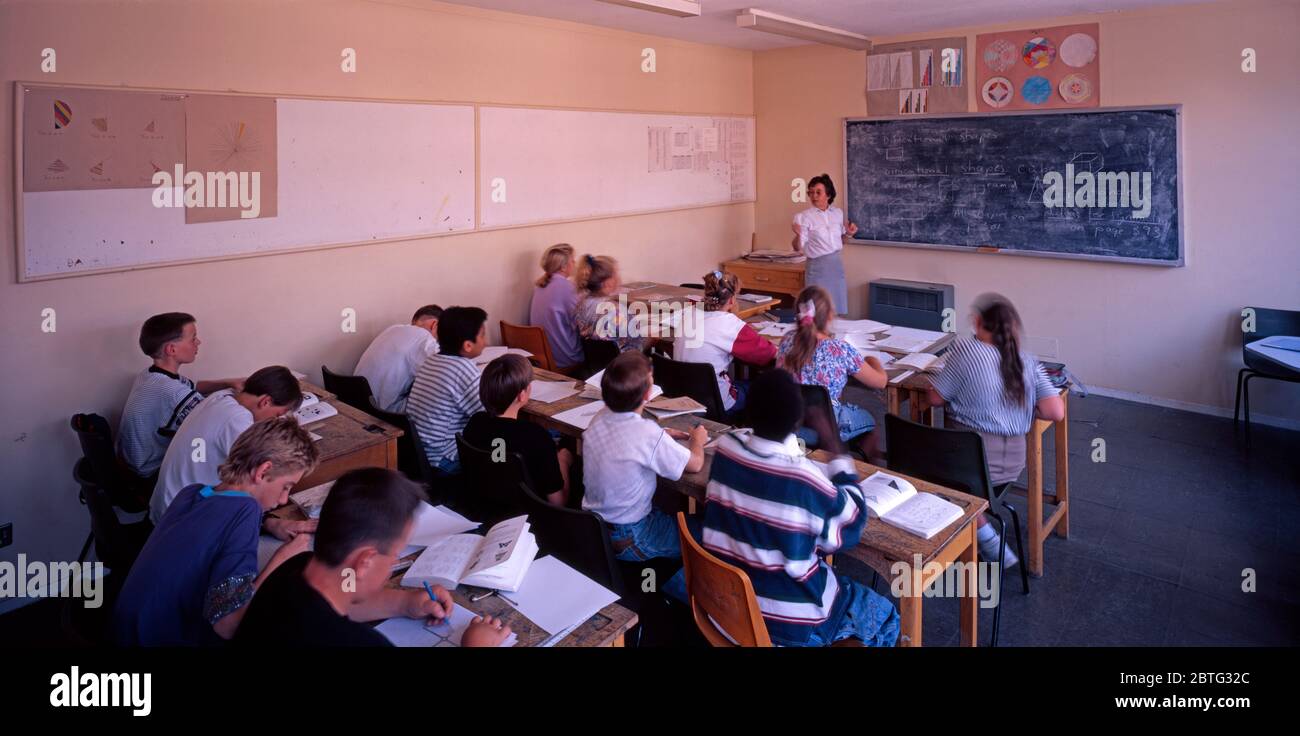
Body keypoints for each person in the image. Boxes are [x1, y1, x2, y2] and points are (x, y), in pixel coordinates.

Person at [701, 369, 899, 646]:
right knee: (887, 615)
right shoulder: (804, 480)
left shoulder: (726, 448)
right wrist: (833, 443)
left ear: (748, 411)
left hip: (724, 612)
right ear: (798, 422)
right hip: (784, 629)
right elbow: (852, 526)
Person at [235, 468, 512, 647]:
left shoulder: (293, 571)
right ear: (365, 561)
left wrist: (405, 602)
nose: (393, 562)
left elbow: (341, 598)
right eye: (393, 555)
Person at [113, 419, 319, 646]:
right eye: (286, 487)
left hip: (127, 631)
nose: (282, 500)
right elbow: (228, 624)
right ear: (263, 471)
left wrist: (271, 524)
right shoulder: (245, 510)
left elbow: (212, 530)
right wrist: (283, 559)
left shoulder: (192, 494)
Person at [927, 293, 1065, 567]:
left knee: (924, 462)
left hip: (965, 465)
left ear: (977, 323)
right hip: (1011, 466)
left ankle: (983, 533)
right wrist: (1022, 408)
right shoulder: (1027, 361)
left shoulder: (965, 351)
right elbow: (1055, 412)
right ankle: (976, 526)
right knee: (960, 478)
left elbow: (934, 399)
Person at [581, 352, 706, 561]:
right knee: (710, 535)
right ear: (648, 394)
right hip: (632, 537)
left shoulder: (599, 417)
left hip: (595, 528)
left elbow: (626, 437)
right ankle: (681, 586)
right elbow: (695, 464)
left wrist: (659, 434)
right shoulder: (647, 434)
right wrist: (697, 440)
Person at [152, 366, 304, 524]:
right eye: (278, 415)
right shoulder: (237, 421)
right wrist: (271, 522)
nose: (275, 421)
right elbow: (260, 478)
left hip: (170, 499)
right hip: (178, 516)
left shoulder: (223, 396)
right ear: (265, 401)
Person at [117, 312, 241, 480]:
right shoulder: (171, 392)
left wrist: (228, 382)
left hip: (132, 465)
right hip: (150, 474)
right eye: (193, 338)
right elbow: (213, 421)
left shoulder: (150, 375)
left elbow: (193, 387)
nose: (198, 342)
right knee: (227, 461)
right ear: (171, 349)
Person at [777, 285, 888, 460]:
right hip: (828, 425)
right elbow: (880, 382)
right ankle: (862, 469)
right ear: (829, 315)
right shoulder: (839, 349)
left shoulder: (786, 341)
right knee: (871, 419)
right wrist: (873, 360)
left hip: (792, 419)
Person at [463, 354, 574, 507]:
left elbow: (499, 454)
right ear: (522, 395)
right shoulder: (536, 436)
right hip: (530, 516)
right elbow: (558, 502)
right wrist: (563, 461)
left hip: (486, 504)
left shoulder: (475, 423)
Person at [672, 270, 776, 415]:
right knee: (768, 387)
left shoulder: (689, 314)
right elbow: (768, 354)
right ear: (732, 300)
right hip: (717, 402)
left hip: (684, 397)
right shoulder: (731, 325)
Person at [406, 306, 487, 474]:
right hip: (443, 459)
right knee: (505, 449)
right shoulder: (462, 369)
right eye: (482, 335)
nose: (485, 341)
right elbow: (488, 414)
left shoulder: (433, 360)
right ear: (468, 345)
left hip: (419, 452)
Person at [354, 304, 442, 413]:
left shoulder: (393, 329)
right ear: (435, 324)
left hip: (355, 400)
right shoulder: (424, 338)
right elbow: (444, 370)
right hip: (381, 411)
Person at [791, 174, 857, 314]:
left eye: (818, 192)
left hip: (836, 265)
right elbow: (797, 248)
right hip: (817, 267)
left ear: (828, 194)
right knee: (817, 311)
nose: (814, 196)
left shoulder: (838, 213)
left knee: (836, 310)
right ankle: (817, 336)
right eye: (811, 192)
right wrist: (797, 235)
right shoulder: (803, 217)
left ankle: (833, 337)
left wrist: (849, 234)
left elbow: (841, 241)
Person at [573, 254, 648, 354]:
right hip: (625, 365)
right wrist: (654, 337)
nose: (619, 277)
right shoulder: (617, 312)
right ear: (608, 283)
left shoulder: (581, 304)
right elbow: (638, 342)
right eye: (616, 273)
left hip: (597, 365)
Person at [528, 243, 584, 372]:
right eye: (572, 260)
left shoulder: (539, 287)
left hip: (542, 357)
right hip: (565, 357)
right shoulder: (568, 288)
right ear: (563, 266)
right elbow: (583, 323)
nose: (574, 263)